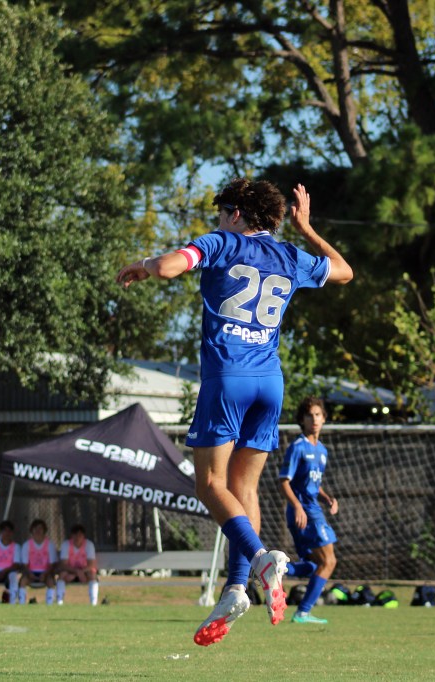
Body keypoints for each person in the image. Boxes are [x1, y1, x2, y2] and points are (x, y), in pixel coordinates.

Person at [116, 180, 353, 646]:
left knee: (209, 485)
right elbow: (344, 271)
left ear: (239, 213)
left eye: (224, 209)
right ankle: (237, 587)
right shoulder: (290, 256)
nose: (220, 218)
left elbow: (168, 267)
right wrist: (306, 228)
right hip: (271, 383)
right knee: (243, 488)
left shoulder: (221, 242)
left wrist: (145, 266)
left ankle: (262, 560)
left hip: (228, 380)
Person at [279, 396, 339, 624]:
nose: (314, 419)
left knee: (314, 565)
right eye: (309, 415)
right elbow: (284, 481)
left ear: (324, 419)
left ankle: (276, 571)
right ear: (302, 420)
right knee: (329, 562)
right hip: (305, 513)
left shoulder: (322, 450)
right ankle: (303, 612)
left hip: (313, 509)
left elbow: (314, 483)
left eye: (317, 415)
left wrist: (327, 498)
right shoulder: (298, 447)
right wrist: (297, 506)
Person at [57, 524, 99, 606]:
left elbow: (91, 564)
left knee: (93, 575)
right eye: (75, 534)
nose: (77, 537)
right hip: (70, 571)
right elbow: (63, 564)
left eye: (80, 535)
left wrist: (81, 572)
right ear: (71, 536)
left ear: (83, 536)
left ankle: (93, 602)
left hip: (85, 572)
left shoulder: (89, 545)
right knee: (62, 575)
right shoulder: (66, 545)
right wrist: (76, 572)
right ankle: (59, 600)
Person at [19, 519, 58, 605]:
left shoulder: (50, 545)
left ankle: (50, 603)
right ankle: (22, 603)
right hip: (31, 572)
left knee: (50, 581)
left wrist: (45, 574)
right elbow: (25, 564)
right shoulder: (27, 545)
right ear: (31, 530)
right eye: (35, 528)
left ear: (44, 531)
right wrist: (30, 574)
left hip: (45, 572)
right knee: (23, 581)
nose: (38, 531)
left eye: (40, 528)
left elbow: (52, 564)